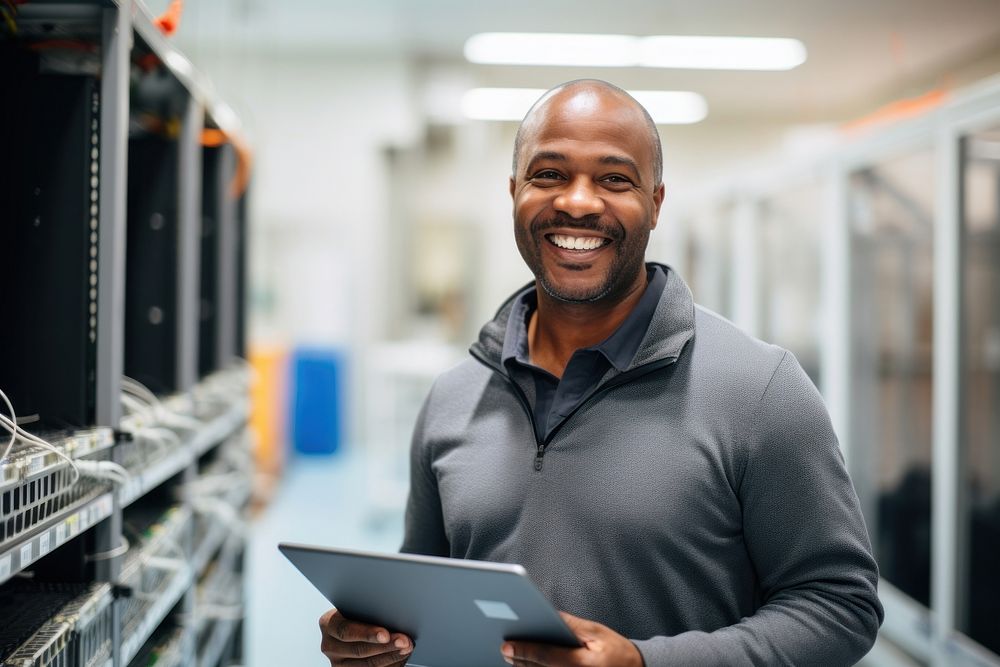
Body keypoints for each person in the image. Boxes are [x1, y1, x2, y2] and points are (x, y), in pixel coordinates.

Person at [318, 79, 883, 667]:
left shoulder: (758, 389)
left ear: (657, 202)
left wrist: (644, 663)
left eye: (614, 179)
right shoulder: (454, 398)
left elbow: (838, 605)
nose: (579, 202)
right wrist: (379, 643)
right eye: (549, 175)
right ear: (514, 192)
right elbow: (425, 595)